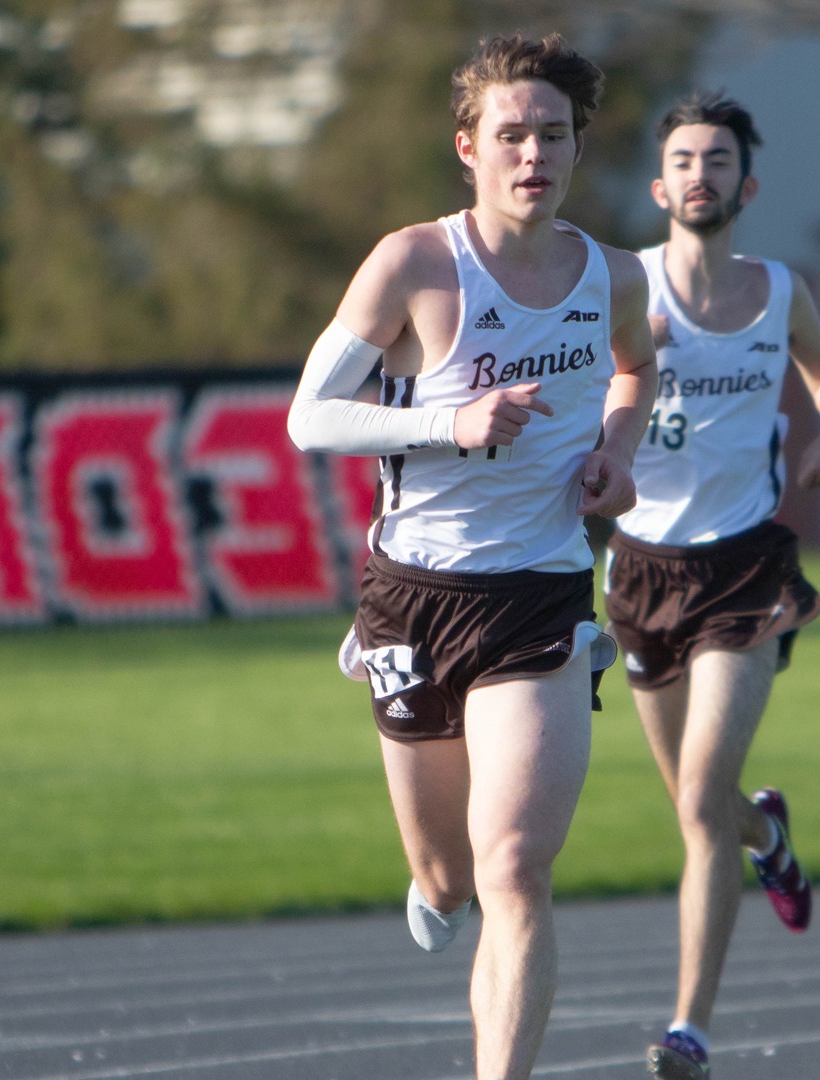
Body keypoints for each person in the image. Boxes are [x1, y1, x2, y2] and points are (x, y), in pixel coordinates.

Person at [286, 33, 658, 1080]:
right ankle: (434, 885)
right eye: (512, 135)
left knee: (516, 869)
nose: (533, 154)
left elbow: (637, 371)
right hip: (413, 596)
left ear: (578, 148)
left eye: (553, 134)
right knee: (450, 877)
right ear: (468, 147)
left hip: (539, 594)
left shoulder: (613, 278)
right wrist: (451, 424)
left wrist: (618, 455)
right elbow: (312, 419)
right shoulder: (413, 263)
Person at [605, 91, 820, 1080]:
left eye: (717, 160)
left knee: (703, 795)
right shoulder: (623, 290)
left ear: (743, 185)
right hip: (640, 571)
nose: (699, 174)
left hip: (745, 565)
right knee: (701, 808)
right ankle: (772, 837)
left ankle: (690, 1031)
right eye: (682, 159)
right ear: (660, 184)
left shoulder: (780, 290)